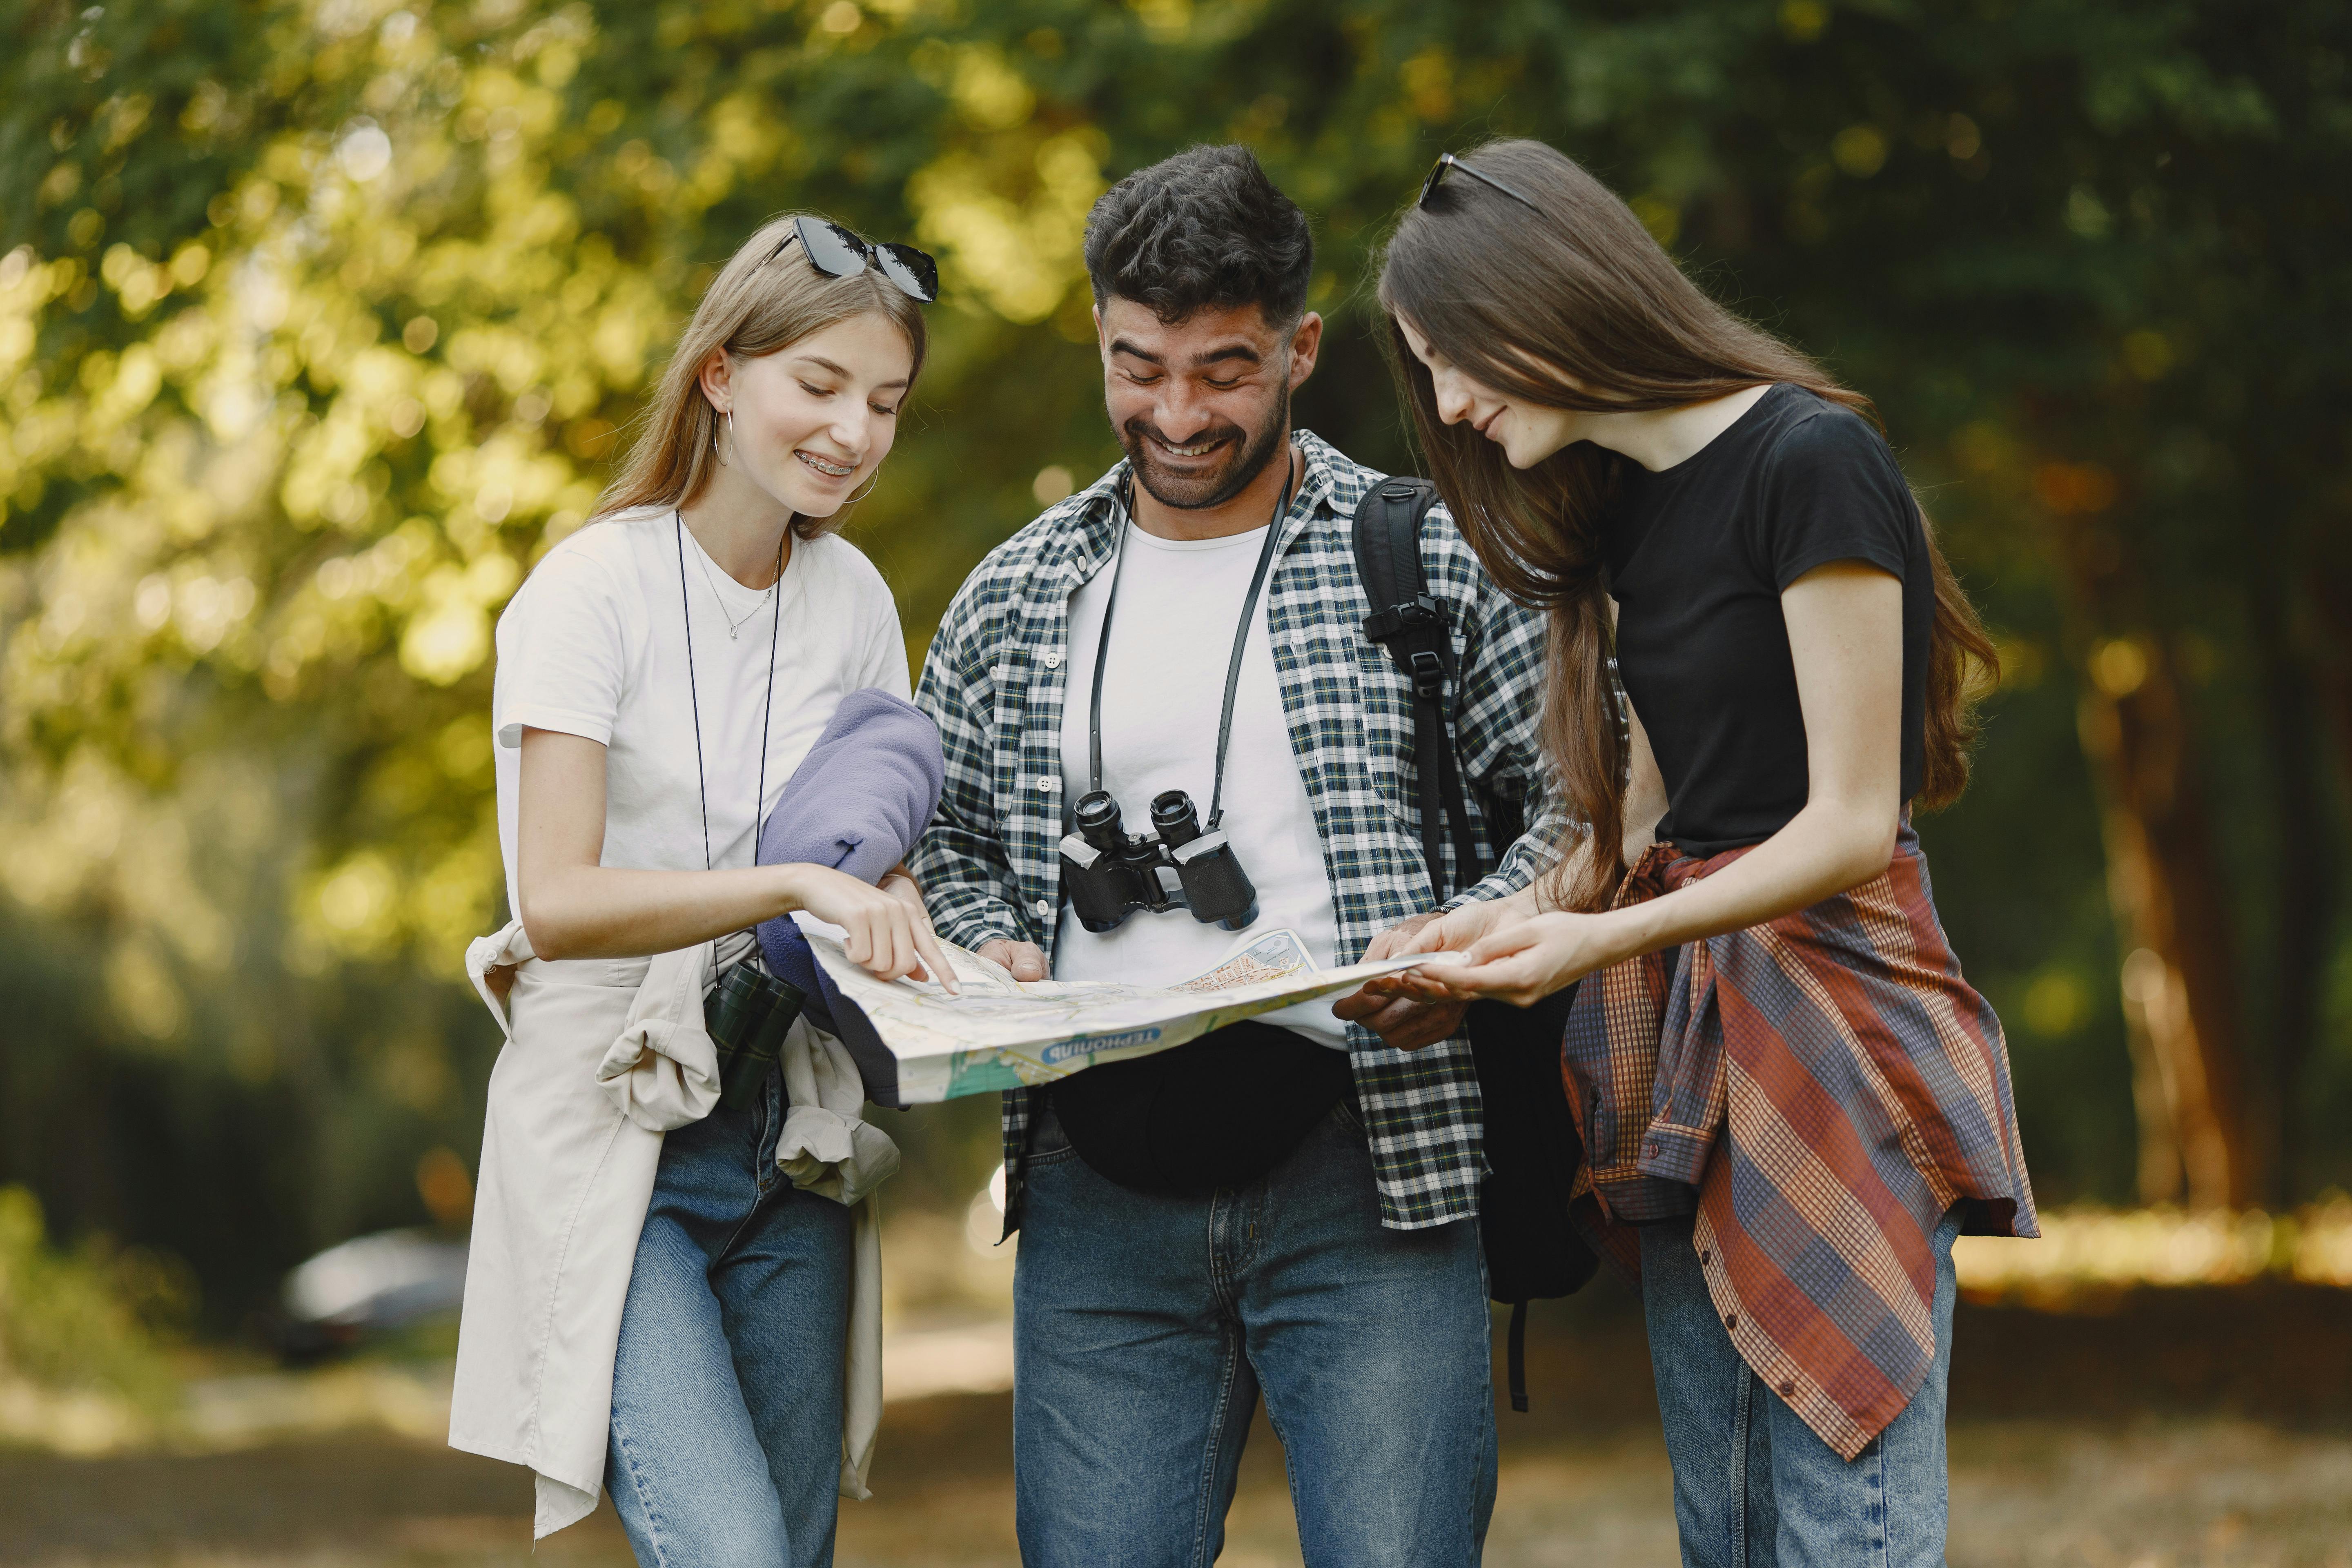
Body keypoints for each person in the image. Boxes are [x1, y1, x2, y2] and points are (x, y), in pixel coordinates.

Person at [1363, 139, 2038, 1566]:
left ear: (1541, 298)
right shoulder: (1630, 513)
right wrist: (1480, 927)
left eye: (1458, 359)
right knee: (1720, 1524)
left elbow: (1851, 825)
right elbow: (1649, 823)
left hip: (1837, 1025)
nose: (1455, 406)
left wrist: (1594, 943)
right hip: (1684, 1037)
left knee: (1839, 1511)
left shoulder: (1813, 460)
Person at [911, 144, 1559, 1566]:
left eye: (1224, 370)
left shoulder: (1432, 554)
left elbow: (1583, 810)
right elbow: (942, 837)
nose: (1178, 412)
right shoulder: (1016, 593)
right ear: (1098, 335)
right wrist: (985, 941)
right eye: (1140, 367)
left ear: (1302, 348)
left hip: (1370, 1164)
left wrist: (1472, 941)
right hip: (1090, 1187)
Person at [448, 213, 954, 1566]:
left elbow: (872, 862)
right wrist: (784, 882)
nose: (855, 431)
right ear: (722, 376)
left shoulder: (854, 600)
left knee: (787, 1553)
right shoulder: (587, 590)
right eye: (822, 385)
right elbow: (555, 901)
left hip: (791, 1136)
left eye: (887, 403)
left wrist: (958, 949)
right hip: (613, 1131)